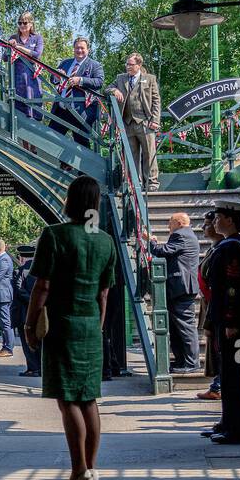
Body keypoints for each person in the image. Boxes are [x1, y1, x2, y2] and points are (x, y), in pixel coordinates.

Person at [24, 176, 117, 480]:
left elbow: (42, 287)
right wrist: (98, 326)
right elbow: (104, 294)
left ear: (70, 200)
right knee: (88, 399)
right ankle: (90, 474)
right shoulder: (106, 242)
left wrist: (28, 326)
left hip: (62, 327)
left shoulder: (54, 235)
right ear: (96, 204)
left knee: (68, 401)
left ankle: (78, 471)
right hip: (90, 326)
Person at [205, 200, 240, 444]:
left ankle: (237, 429)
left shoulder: (232, 248)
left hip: (232, 322)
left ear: (230, 220)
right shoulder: (228, 245)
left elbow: (234, 288)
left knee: (234, 376)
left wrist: (231, 321)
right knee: (227, 375)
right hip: (225, 320)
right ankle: (227, 422)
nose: (215, 220)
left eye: (219, 216)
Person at [148, 212, 201, 372]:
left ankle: (191, 363)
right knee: (177, 327)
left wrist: (150, 241)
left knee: (185, 327)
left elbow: (163, 251)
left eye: (170, 223)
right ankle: (181, 361)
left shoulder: (180, 235)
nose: (168, 226)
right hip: (180, 287)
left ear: (178, 222)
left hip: (181, 288)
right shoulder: (185, 235)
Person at [109, 52, 161, 190]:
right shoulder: (121, 79)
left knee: (149, 154)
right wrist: (114, 90)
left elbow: (156, 101)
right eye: (127, 64)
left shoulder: (149, 79)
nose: (128, 67)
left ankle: (152, 183)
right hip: (127, 123)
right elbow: (106, 89)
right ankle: (133, 184)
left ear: (139, 65)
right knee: (130, 156)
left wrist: (155, 120)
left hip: (145, 122)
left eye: (131, 64)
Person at [50, 37, 105, 147]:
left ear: (88, 50)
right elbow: (53, 80)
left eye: (82, 48)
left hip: (81, 112)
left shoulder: (95, 65)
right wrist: (56, 76)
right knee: (52, 138)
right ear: (73, 49)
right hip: (61, 109)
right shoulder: (65, 63)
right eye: (77, 48)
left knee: (81, 145)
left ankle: (75, 165)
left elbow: (99, 82)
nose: (79, 50)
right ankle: (61, 164)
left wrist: (80, 80)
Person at [195, 209, 223, 405]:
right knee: (215, 348)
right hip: (210, 303)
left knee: (221, 348)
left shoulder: (223, 247)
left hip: (219, 305)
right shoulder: (214, 248)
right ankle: (217, 385)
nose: (203, 227)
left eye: (207, 224)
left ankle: (222, 386)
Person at [7, 13, 44, 121]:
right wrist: (10, 45)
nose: (22, 25)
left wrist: (18, 47)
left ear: (31, 24)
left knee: (33, 109)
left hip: (32, 79)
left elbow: (37, 54)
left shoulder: (37, 38)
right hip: (17, 78)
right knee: (17, 112)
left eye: (25, 22)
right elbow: (5, 57)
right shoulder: (13, 38)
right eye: (20, 23)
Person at [11, 244, 41, 377]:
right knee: (39, 340)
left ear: (21, 257)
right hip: (40, 312)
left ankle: (33, 368)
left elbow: (18, 290)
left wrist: (30, 301)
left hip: (24, 313)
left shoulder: (20, 271)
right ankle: (40, 367)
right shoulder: (42, 270)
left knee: (27, 341)